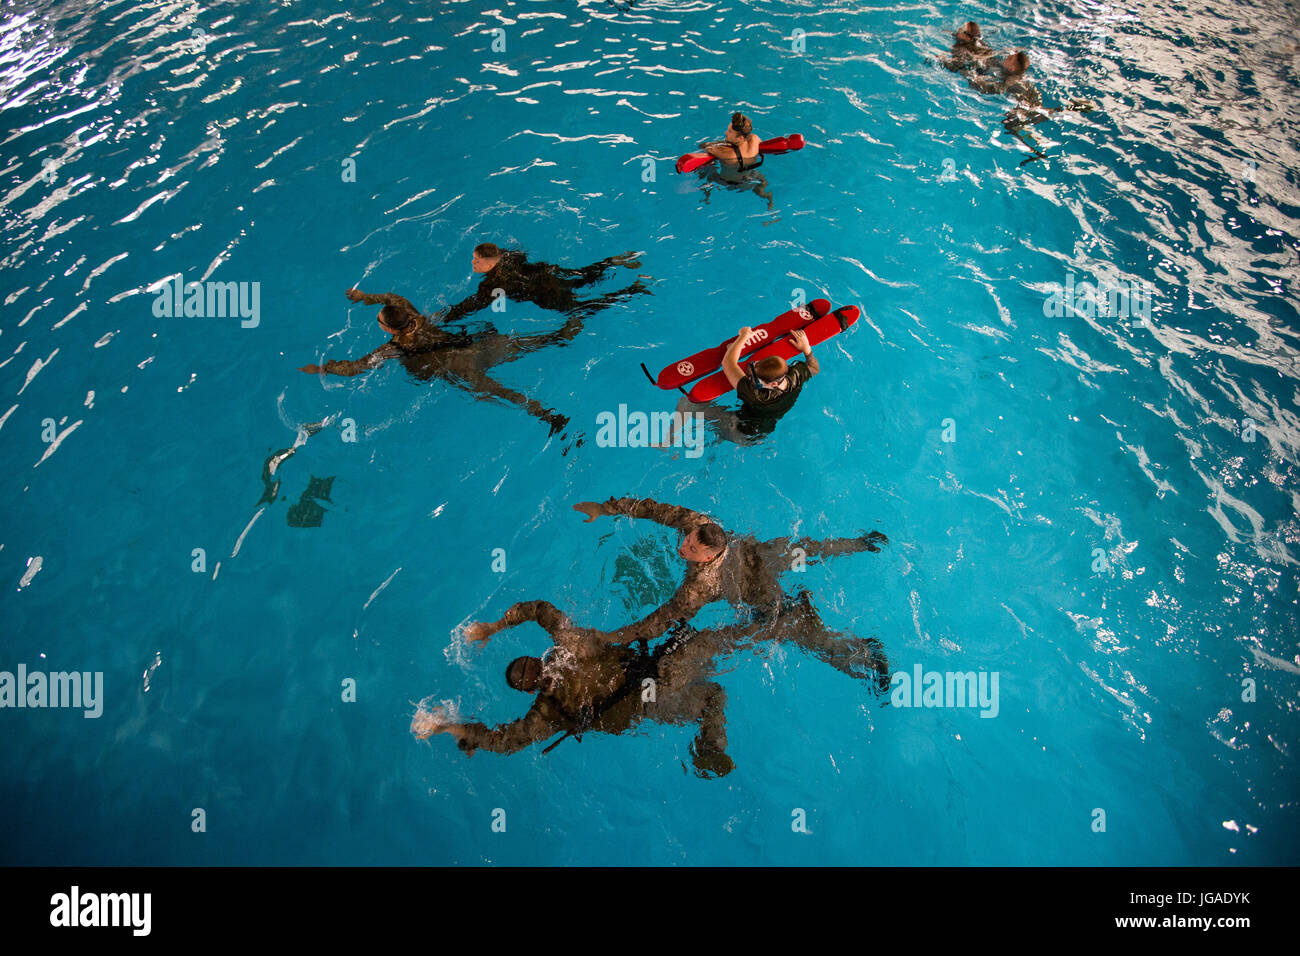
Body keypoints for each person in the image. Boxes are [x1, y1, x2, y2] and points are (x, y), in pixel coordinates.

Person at [412, 596, 889, 774]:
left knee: (712, 697)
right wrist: (494, 628)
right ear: (538, 668)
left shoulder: (548, 708)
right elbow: (537, 608)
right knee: (729, 639)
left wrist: (449, 728)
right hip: (655, 677)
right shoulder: (569, 648)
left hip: (644, 704)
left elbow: (504, 740)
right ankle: (815, 633)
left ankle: (709, 745)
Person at [570, 496, 889, 645]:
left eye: (692, 550)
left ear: (709, 558)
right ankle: (862, 544)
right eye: (688, 542)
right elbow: (655, 510)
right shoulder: (700, 525)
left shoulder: (700, 586)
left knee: (796, 627)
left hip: (759, 591)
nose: (684, 548)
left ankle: (862, 651)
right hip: (760, 554)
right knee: (807, 549)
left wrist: (611, 637)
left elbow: (659, 621)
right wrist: (605, 508)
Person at [299, 286, 602, 434]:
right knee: (521, 344)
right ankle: (561, 334)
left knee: (502, 392)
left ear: (389, 329)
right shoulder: (414, 314)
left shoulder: (392, 348)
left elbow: (355, 369)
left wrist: (323, 368)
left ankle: (547, 415)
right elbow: (392, 297)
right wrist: (365, 296)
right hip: (472, 348)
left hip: (458, 369)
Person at [441, 243, 647, 323]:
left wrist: (445, 316)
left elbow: (473, 304)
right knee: (583, 277)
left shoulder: (494, 285)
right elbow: (521, 252)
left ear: (488, 262)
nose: (472, 263)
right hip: (548, 274)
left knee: (582, 308)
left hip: (544, 294)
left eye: (477, 260)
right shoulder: (509, 256)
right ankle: (612, 262)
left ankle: (633, 289)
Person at [723, 326, 819, 437]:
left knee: (701, 410)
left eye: (755, 379)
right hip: (767, 428)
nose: (750, 377)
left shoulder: (757, 396)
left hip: (743, 430)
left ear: (773, 384)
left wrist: (743, 337)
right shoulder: (796, 375)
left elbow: (727, 363)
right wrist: (807, 350)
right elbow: (815, 368)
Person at [697, 112, 775, 209]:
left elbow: (704, 146)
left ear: (741, 138)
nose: (726, 133)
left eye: (730, 132)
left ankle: (706, 197)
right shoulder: (755, 139)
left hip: (725, 182)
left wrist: (720, 143)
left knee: (707, 168)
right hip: (748, 181)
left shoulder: (726, 153)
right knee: (759, 177)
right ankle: (767, 196)